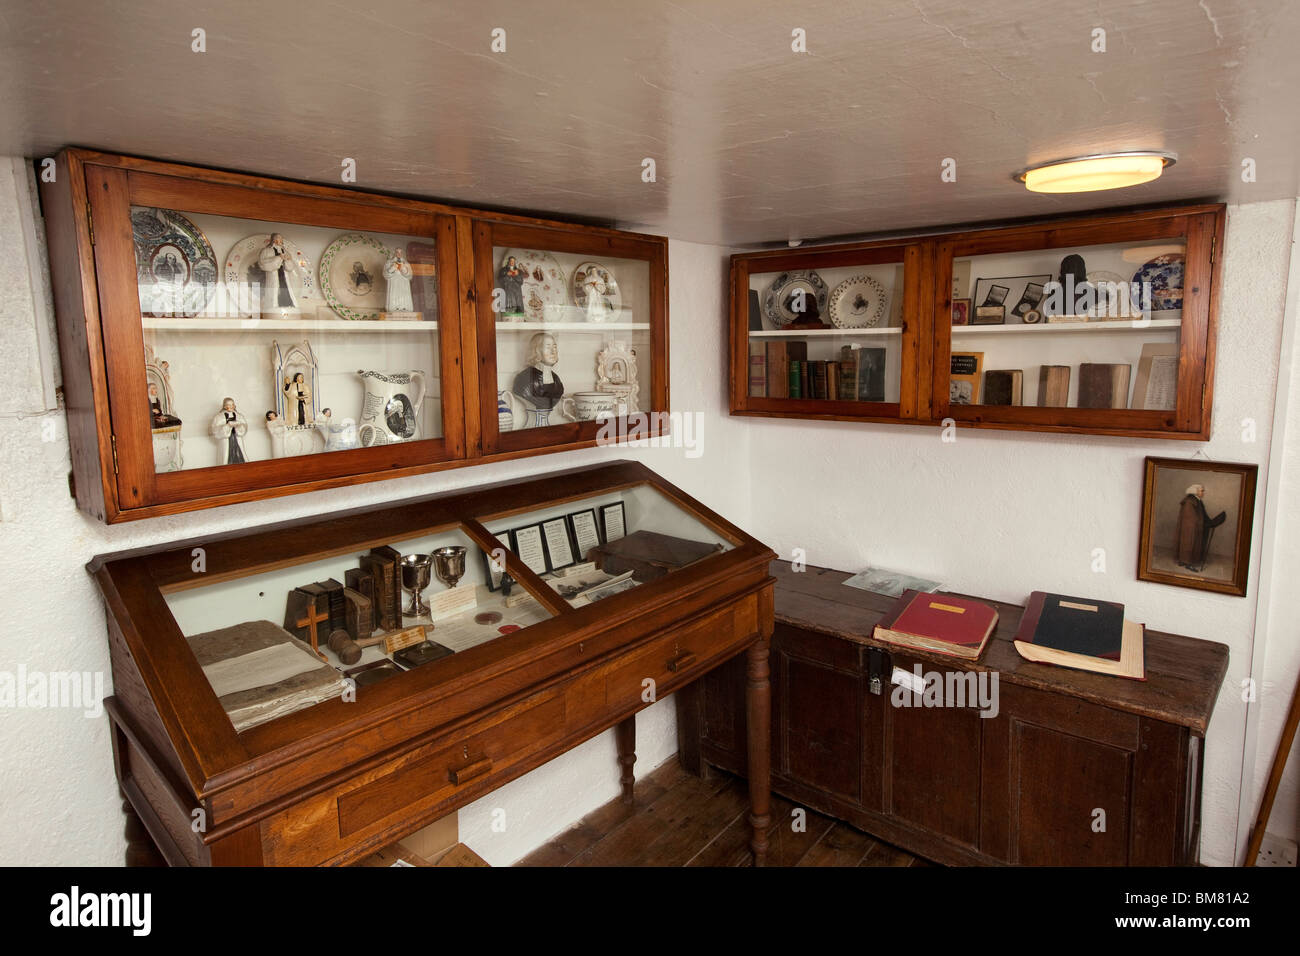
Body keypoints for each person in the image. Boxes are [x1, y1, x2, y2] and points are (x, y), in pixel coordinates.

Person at [512, 333, 565, 426]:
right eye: (548, 347)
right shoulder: (523, 379)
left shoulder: (557, 380)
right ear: (536, 350)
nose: (553, 352)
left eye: (555, 347)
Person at [1175, 483, 1226, 572]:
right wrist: (1203, 524)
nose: (1203, 493)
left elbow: (1203, 515)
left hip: (1194, 527)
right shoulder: (1189, 501)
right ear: (1195, 491)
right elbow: (1190, 518)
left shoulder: (1197, 500)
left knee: (1190, 544)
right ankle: (1187, 563)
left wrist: (1210, 522)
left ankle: (1184, 561)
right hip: (1189, 528)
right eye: (1202, 491)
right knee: (1189, 543)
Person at [257, 233, 299, 316]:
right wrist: (278, 258)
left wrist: (287, 260)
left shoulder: (285, 251)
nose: (279, 241)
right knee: (273, 293)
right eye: (277, 239)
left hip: (284, 277)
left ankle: (287, 307)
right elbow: (263, 264)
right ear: (273, 240)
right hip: (273, 277)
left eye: (280, 239)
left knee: (286, 291)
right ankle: (273, 310)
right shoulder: (266, 251)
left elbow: (290, 267)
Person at [210, 398, 247, 465]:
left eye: (232, 405)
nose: (230, 406)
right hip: (226, 440)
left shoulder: (239, 416)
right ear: (224, 406)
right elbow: (215, 430)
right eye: (228, 405)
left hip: (236, 439)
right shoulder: (219, 417)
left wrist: (238, 425)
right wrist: (227, 426)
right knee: (226, 456)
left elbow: (244, 427)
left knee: (240, 454)